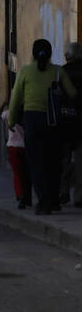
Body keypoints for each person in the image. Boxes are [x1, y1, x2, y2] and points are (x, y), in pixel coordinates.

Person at [7, 39, 77, 215]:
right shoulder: (58, 71)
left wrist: (11, 121)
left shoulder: (24, 71)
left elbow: (15, 99)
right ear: (51, 53)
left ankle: (44, 201)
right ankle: (54, 200)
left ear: (32, 53)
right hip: (54, 122)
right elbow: (73, 94)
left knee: (36, 163)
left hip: (32, 121)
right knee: (54, 162)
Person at [59, 42, 82, 207]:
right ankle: (79, 196)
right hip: (81, 121)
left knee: (63, 159)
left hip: (65, 120)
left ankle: (63, 191)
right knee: (81, 161)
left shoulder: (61, 72)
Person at [0, 101, 30, 210]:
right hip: (25, 147)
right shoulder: (26, 113)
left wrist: (4, 103)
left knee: (17, 173)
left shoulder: (8, 113)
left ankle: (20, 195)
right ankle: (27, 196)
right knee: (26, 173)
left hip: (13, 147)